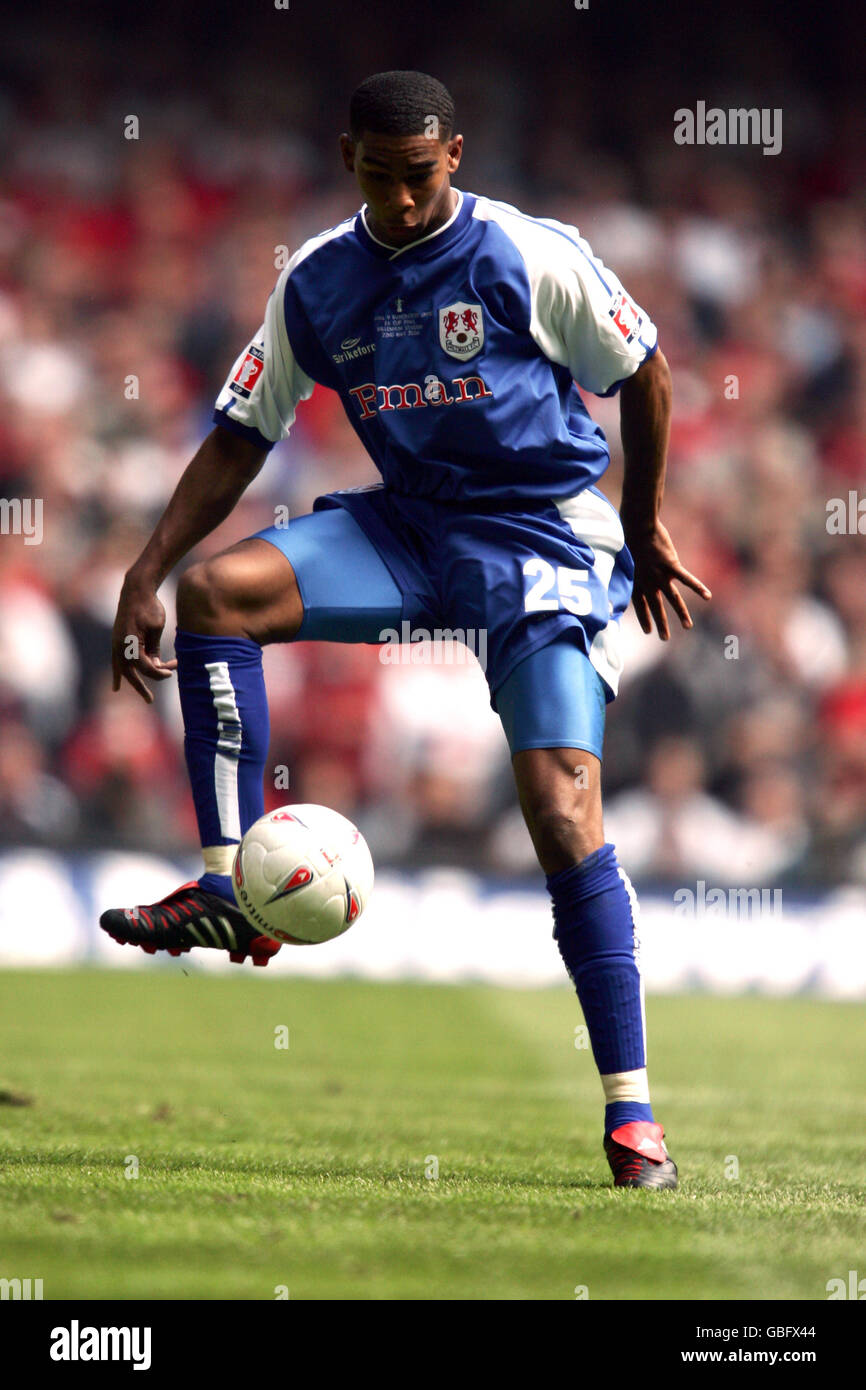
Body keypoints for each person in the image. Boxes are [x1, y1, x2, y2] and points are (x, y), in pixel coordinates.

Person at [101, 70, 711, 1189]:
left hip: (538, 536)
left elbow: (644, 369)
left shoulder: (525, 253)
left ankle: (631, 1116)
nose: (402, 202)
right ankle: (230, 888)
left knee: (560, 808)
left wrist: (640, 521)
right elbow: (243, 431)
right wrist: (146, 567)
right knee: (211, 598)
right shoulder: (318, 280)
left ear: (455, 156)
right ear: (349, 162)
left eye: (420, 177)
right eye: (379, 178)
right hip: (408, 528)